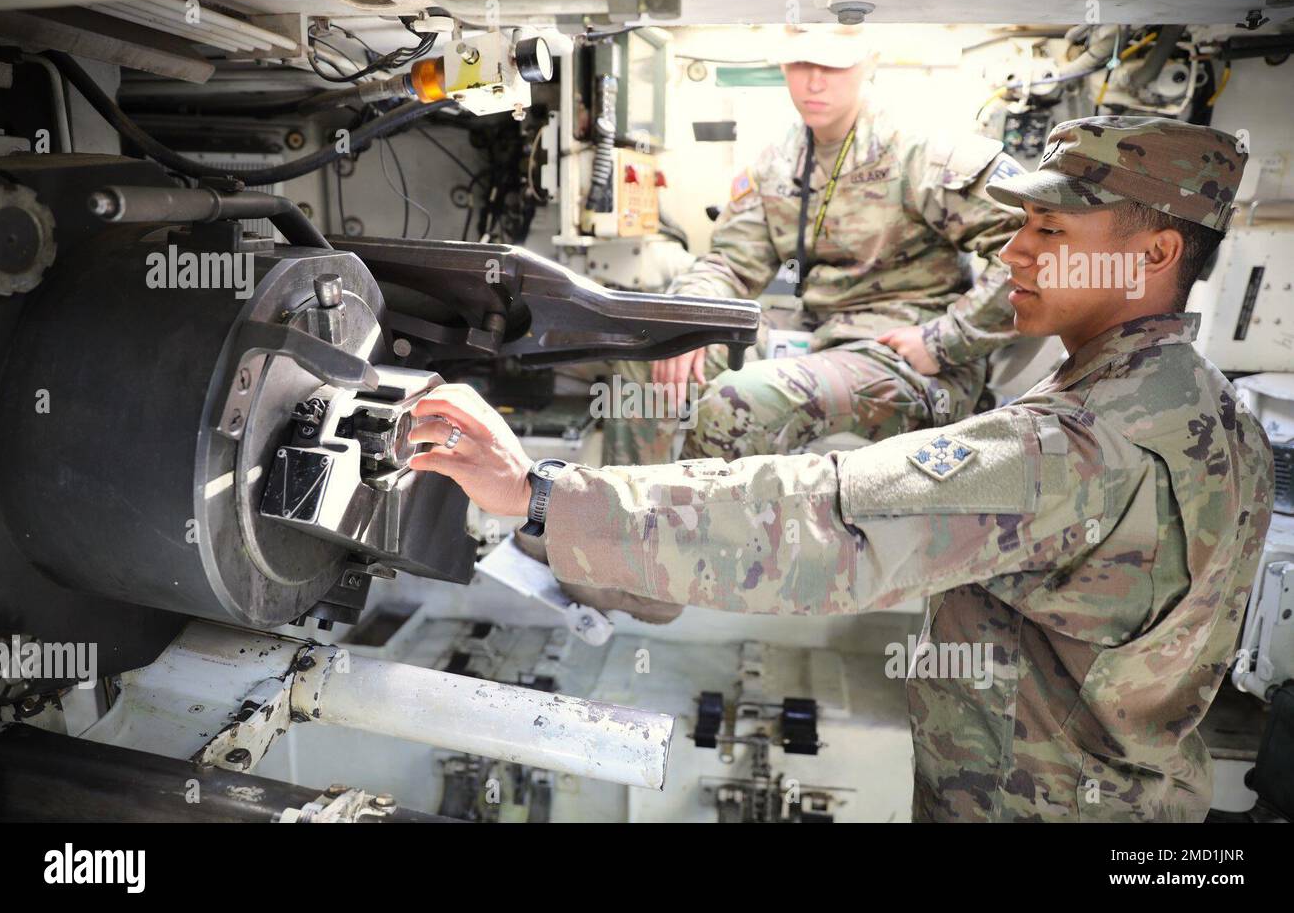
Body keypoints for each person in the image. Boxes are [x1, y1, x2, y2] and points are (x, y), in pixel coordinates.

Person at [409, 116, 1273, 822]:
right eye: (1018, 226)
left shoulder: (1076, 445)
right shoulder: (1212, 409)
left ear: (1154, 255)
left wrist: (538, 493)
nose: (1013, 252)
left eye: (1049, 230)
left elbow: (821, 524)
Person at [602, 23, 1030, 465]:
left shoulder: (921, 150)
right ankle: (617, 525)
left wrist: (945, 341)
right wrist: (688, 321)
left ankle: (696, 529)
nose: (814, 81)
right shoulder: (779, 161)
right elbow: (730, 264)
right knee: (642, 362)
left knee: (736, 399)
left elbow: (1034, 249)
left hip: (905, 353)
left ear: (868, 64)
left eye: (833, 64)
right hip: (815, 336)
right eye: (801, 62)